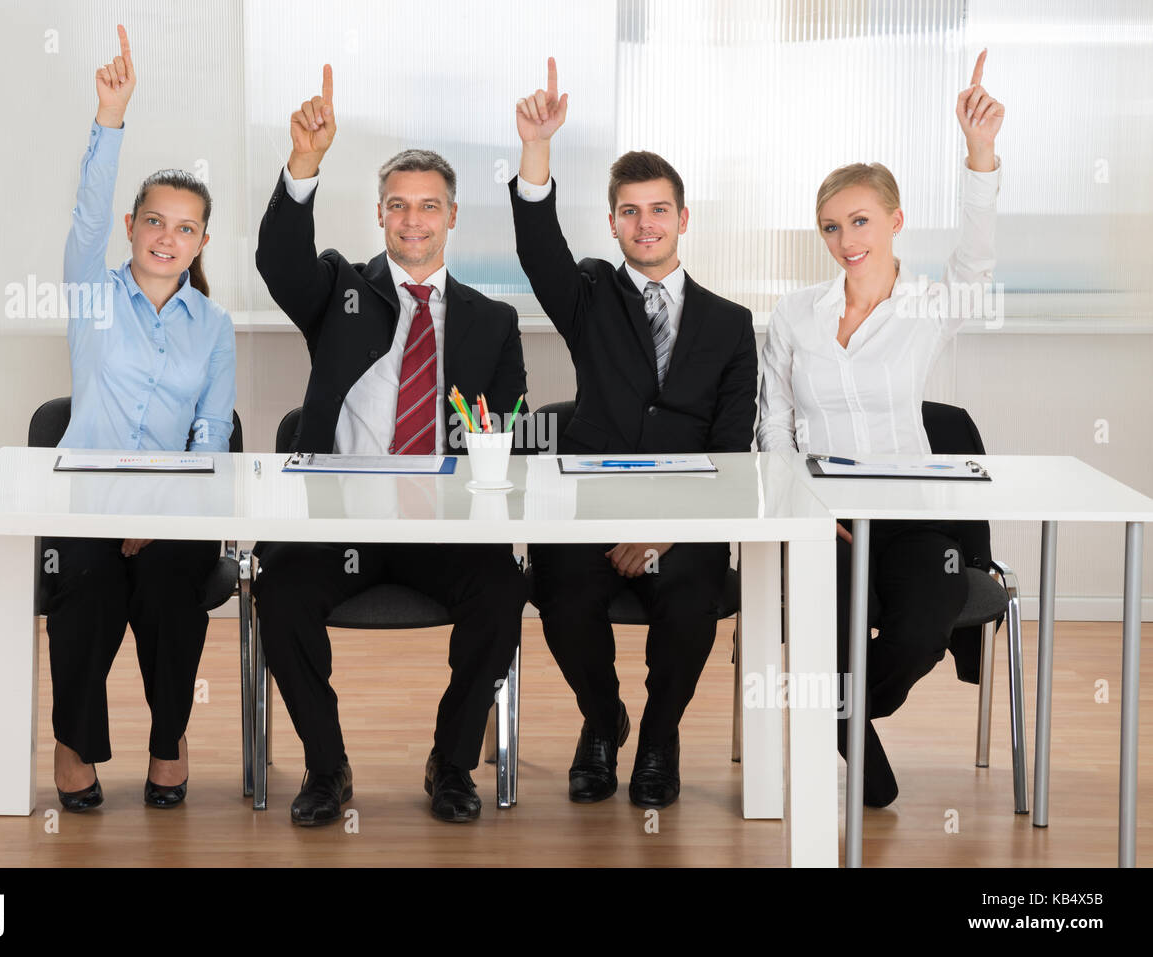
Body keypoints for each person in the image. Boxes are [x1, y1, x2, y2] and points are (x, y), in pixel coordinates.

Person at [252, 65, 529, 825]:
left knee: (502, 590)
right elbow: (277, 261)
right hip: (338, 521)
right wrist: (304, 163)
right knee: (279, 592)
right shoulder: (339, 290)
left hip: (442, 524)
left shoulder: (490, 322)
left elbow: (508, 426)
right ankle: (327, 764)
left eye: (429, 206)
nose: (414, 220)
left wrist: (491, 438)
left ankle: (451, 759)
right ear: (379, 214)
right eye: (399, 206)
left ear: (452, 217)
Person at [757, 50, 1004, 807]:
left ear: (895, 221)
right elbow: (774, 424)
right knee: (821, 632)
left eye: (860, 221)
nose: (845, 239)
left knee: (924, 622)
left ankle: (851, 718)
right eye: (831, 226)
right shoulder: (795, 312)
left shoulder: (930, 304)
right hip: (827, 518)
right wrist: (801, 505)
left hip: (913, 511)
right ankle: (845, 721)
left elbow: (978, 259)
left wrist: (980, 154)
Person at [508, 59, 758, 809]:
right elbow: (534, 245)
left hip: (685, 521)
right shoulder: (587, 295)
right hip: (589, 510)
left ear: (684, 219)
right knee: (559, 590)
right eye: (629, 211)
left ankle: (657, 734)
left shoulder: (730, 324)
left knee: (688, 603)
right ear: (613, 222)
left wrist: (663, 531)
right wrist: (536, 147)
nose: (644, 224)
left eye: (659, 210)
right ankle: (600, 717)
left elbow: (730, 450)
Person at [46, 25, 236, 812]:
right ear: (132, 229)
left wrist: (159, 511)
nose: (168, 237)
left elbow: (212, 435)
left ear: (200, 242)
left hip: (174, 511)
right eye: (154, 221)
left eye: (185, 227)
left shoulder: (214, 326)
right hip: (85, 502)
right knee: (87, 584)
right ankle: (75, 739)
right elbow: (86, 216)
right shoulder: (93, 295)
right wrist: (111, 117)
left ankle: (169, 739)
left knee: (165, 585)